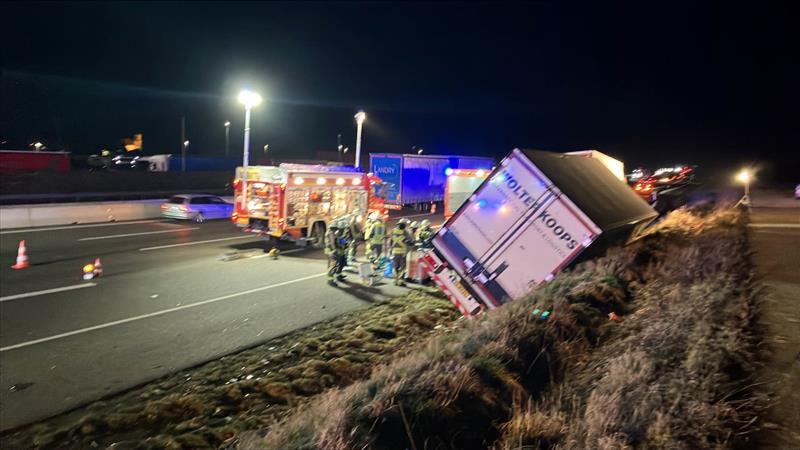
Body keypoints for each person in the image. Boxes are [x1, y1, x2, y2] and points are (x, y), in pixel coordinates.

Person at [391, 218, 414, 286]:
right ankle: (400, 281)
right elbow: (410, 241)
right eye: (405, 224)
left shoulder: (393, 231)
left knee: (395, 266)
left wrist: (391, 250)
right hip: (402, 252)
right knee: (402, 267)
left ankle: (395, 280)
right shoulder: (405, 232)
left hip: (394, 252)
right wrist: (412, 243)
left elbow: (391, 241)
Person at [325, 219, 349, 286]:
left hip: (336, 250)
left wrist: (344, 245)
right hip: (332, 251)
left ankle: (338, 275)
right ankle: (330, 280)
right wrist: (335, 250)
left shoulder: (335, 232)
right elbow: (333, 243)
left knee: (340, 263)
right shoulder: (331, 232)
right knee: (333, 265)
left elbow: (340, 241)